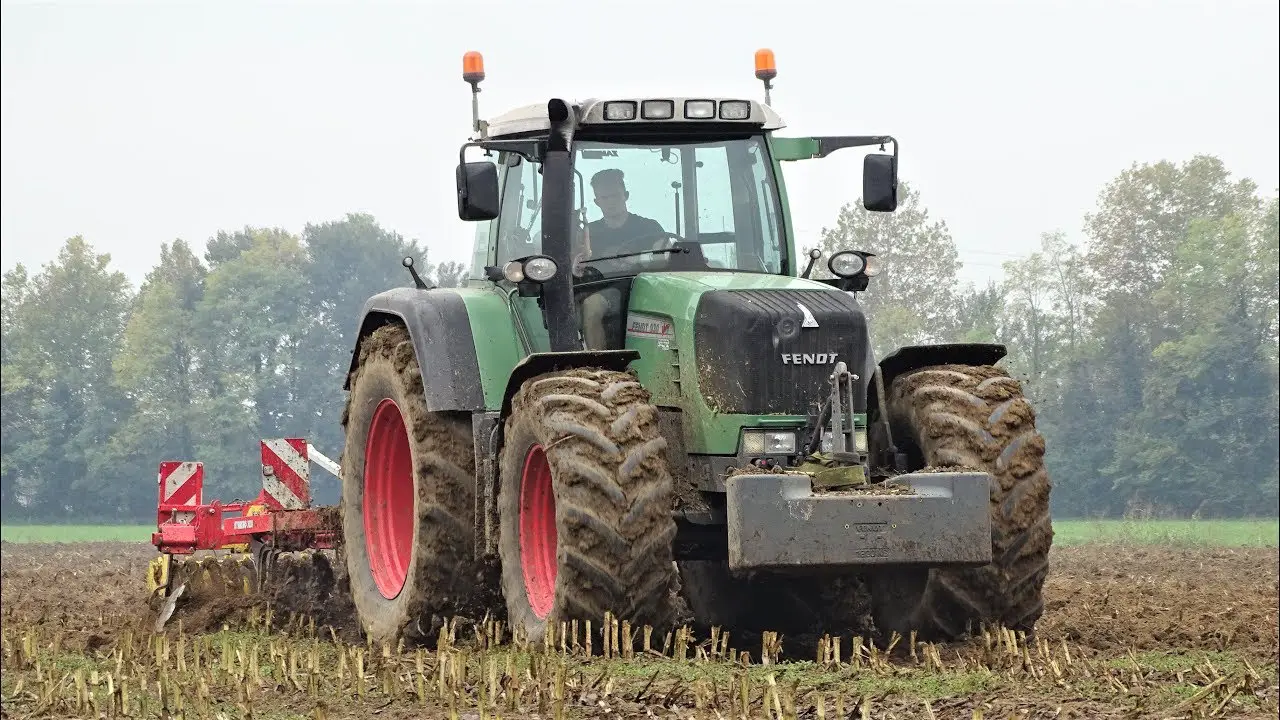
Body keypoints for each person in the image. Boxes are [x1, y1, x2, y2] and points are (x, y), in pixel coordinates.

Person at [573, 169, 667, 349]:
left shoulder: (649, 227)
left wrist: (637, 261)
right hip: (606, 289)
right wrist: (577, 266)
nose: (610, 202)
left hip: (643, 289)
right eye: (604, 198)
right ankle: (598, 362)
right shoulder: (589, 233)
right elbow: (579, 263)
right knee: (591, 305)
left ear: (626, 195)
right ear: (597, 201)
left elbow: (664, 258)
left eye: (615, 196)